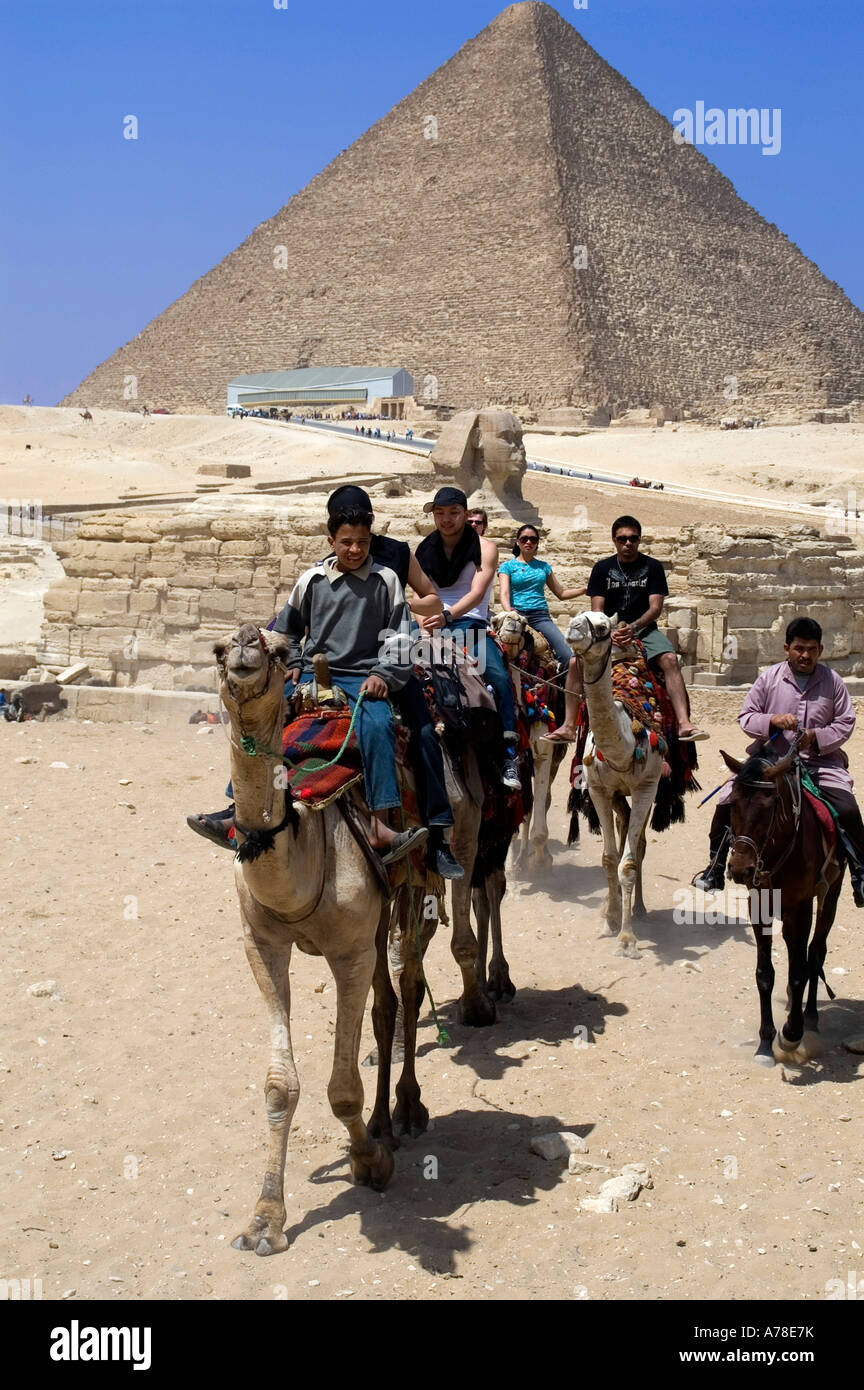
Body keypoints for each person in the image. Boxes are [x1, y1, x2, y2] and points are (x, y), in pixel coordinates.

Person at [273, 505, 427, 866]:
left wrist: (384, 675)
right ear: (331, 542)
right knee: (263, 718)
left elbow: (401, 639)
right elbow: (286, 632)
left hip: (363, 676)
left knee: (377, 725)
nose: (355, 550)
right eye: (346, 542)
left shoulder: (386, 580)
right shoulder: (311, 580)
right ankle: (239, 806)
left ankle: (381, 823)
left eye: (362, 542)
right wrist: (293, 663)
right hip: (313, 673)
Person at [692, 617, 864, 903]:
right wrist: (772, 720)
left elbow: (845, 723)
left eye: (811, 649)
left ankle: (860, 871)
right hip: (770, 765)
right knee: (726, 801)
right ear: (787, 648)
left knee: (846, 809)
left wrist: (816, 736)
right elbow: (746, 716)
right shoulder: (769, 678)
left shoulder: (833, 682)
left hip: (818, 763)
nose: (805, 655)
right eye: (799, 648)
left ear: (820, 650)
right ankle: (716, 866)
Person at [416, 487, 521, 791]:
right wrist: (424, 626)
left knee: (497, 677)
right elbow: (419, 594)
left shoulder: (485, 547)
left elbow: (477, 592)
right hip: (434, 624)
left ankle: (507, 755)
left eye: (452, 513)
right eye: (439, 513)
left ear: (464, 513)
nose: (446, 519)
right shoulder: (424, 550)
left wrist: (448, 617)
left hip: (469, 622)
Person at [587, 516, 707, 741]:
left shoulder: (652, 567)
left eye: (633, 538)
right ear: (614, 540)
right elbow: (597, 610)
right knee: (575, 663)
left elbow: (655, 607)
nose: (628, 543)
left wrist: (632, 628)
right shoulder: (602, 568)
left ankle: (684, 723)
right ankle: (568, 725)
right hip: (608, 631)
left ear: (639, 540)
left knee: (670, 659)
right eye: (622, 539)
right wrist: (610, 632)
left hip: (644, 630)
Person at [498, 524, 586, 743]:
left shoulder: (544, 567)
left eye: (533, 539)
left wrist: (585, 589)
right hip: (517, 616)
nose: (529, 542)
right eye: (525, 538)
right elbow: (504, 593)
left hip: (540, 616)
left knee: (568, 657)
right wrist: (512, 615)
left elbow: (561, 593)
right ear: (517, 542)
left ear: (537, 543)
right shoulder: (507, 566)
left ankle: (569, 714)